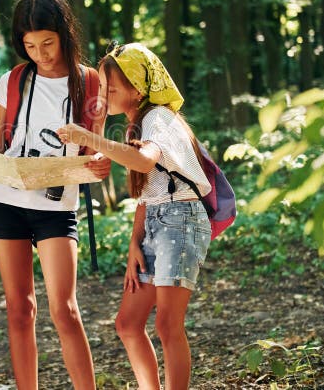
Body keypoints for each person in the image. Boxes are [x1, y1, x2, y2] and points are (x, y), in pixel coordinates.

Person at [57, 42, 212, 390]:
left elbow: (144, 161)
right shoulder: (135, 126)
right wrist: (134, 244)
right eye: (104, 87)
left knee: (168, 325)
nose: (105, 94)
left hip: (182, 218)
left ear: (138, 89)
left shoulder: (158, 118)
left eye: (112, 88)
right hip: (156, 220)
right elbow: (144, 194)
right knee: (127, 323)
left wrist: (88, 138)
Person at [0, 0, 110, 390]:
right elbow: (0, 143)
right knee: (20, 309)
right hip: (7, 201)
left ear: (65, 34)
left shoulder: (90, 83)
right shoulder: (14, 80)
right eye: (30, 45)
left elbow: (97, 150)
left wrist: (101, 165)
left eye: (48, 43)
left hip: (57, 205)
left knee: (64, 308)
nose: (40, 53)